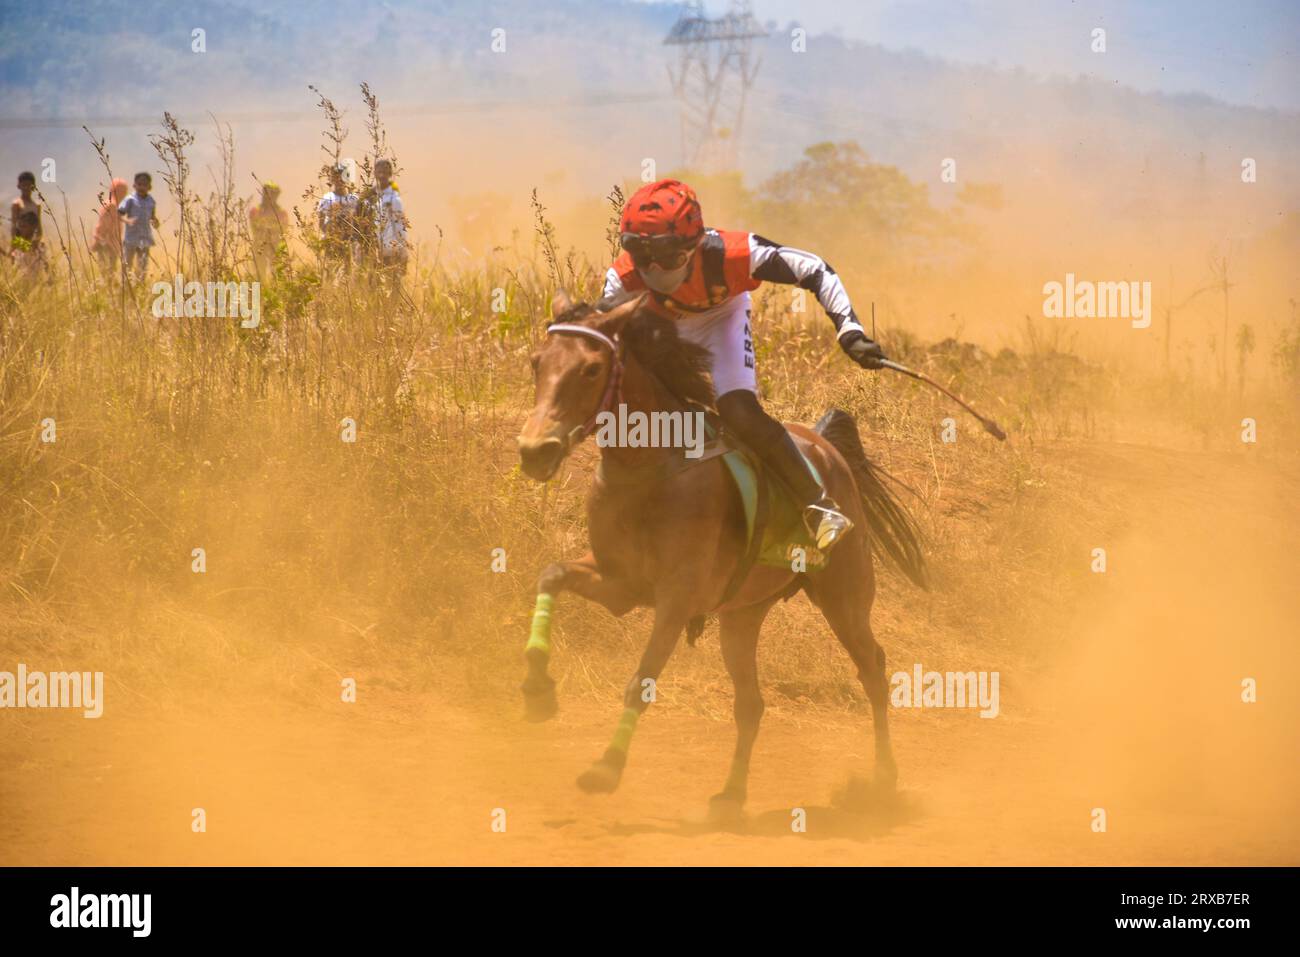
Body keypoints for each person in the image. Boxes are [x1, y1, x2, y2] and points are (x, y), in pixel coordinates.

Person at [603, 178, 888, 553]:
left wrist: (849, 330)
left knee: (739, 411)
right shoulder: (621, 279)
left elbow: (815, 269)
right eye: (642, 255)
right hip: (661, 328)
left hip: (721, 320)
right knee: (641, 412)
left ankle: (818, 506)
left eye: (667, 255)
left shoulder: (734, 253)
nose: (653, 268)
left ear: (694, 245)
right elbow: (598, 334)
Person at [118, 172, 160, 283]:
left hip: (145, 238)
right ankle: (126, 287)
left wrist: (155, 222)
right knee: (127, 264)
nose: (142, 187)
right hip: (131, 238)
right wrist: (127, 220)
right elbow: (119, 214)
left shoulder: (151, 201)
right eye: (139, 184)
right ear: (134, 185)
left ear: (149, 187)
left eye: (144, 185)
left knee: (143, 266)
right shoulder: (130, 200)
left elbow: (152, 217)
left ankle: (139, 286)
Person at [317, 164, 358, 270]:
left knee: (349, 271)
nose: (339, 180)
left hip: (350, 243)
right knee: (332, 270)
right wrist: (332, 233)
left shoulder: (353, 199)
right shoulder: (327, 198)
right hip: (332, 242)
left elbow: (359, 221)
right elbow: (321, 224)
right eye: (336, 177)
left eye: (343, 177)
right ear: (332, 179)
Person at [371, 159, 408, 274]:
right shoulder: (369, 197)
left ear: (390, 174)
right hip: (373, 251)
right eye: (379, 171)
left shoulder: (394, 199)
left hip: (391, 251)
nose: (382, 175)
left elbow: (400, 226)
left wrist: (403, 251)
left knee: (393, 285)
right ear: (374, 173)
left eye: (385, 172)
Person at [248, 181, 289, 277]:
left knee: (278, 273)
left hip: (276, 245)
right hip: (260, 245)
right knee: (259, 272)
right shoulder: (255, 210)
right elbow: (254, 225)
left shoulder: (282, 212)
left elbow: (284, 228)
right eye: (268, 193)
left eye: (274, 194)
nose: (270, 196)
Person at [90, 178, 129, 275]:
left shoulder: (113, 205)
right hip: (107, 244)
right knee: (108, 271)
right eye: (121, 191)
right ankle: (107, 288)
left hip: (110, 243)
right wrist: (99, 240)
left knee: (109, 271)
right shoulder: (111, 206)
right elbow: (104, 225)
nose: (124, 194)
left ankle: (108, 287)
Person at [9, 209, 46, 280]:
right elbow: (10, 256)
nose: (21, 229)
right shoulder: (18, 241)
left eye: (24, 226)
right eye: (20, 226)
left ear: (33, 227)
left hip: (35, 281)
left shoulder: (39, 244)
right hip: (21, 281)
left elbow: (46, 264)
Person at [11, 171, 42, 246]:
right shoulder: (17, 204)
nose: (26, 188)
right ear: (19, 186)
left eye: (29, 185)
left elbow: (39, 227)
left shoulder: (37, 205)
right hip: (21, 241)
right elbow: (14, 226)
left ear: (33, 186)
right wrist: (19, 244)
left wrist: (36, 241)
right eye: (24, 185)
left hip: (33, 241)